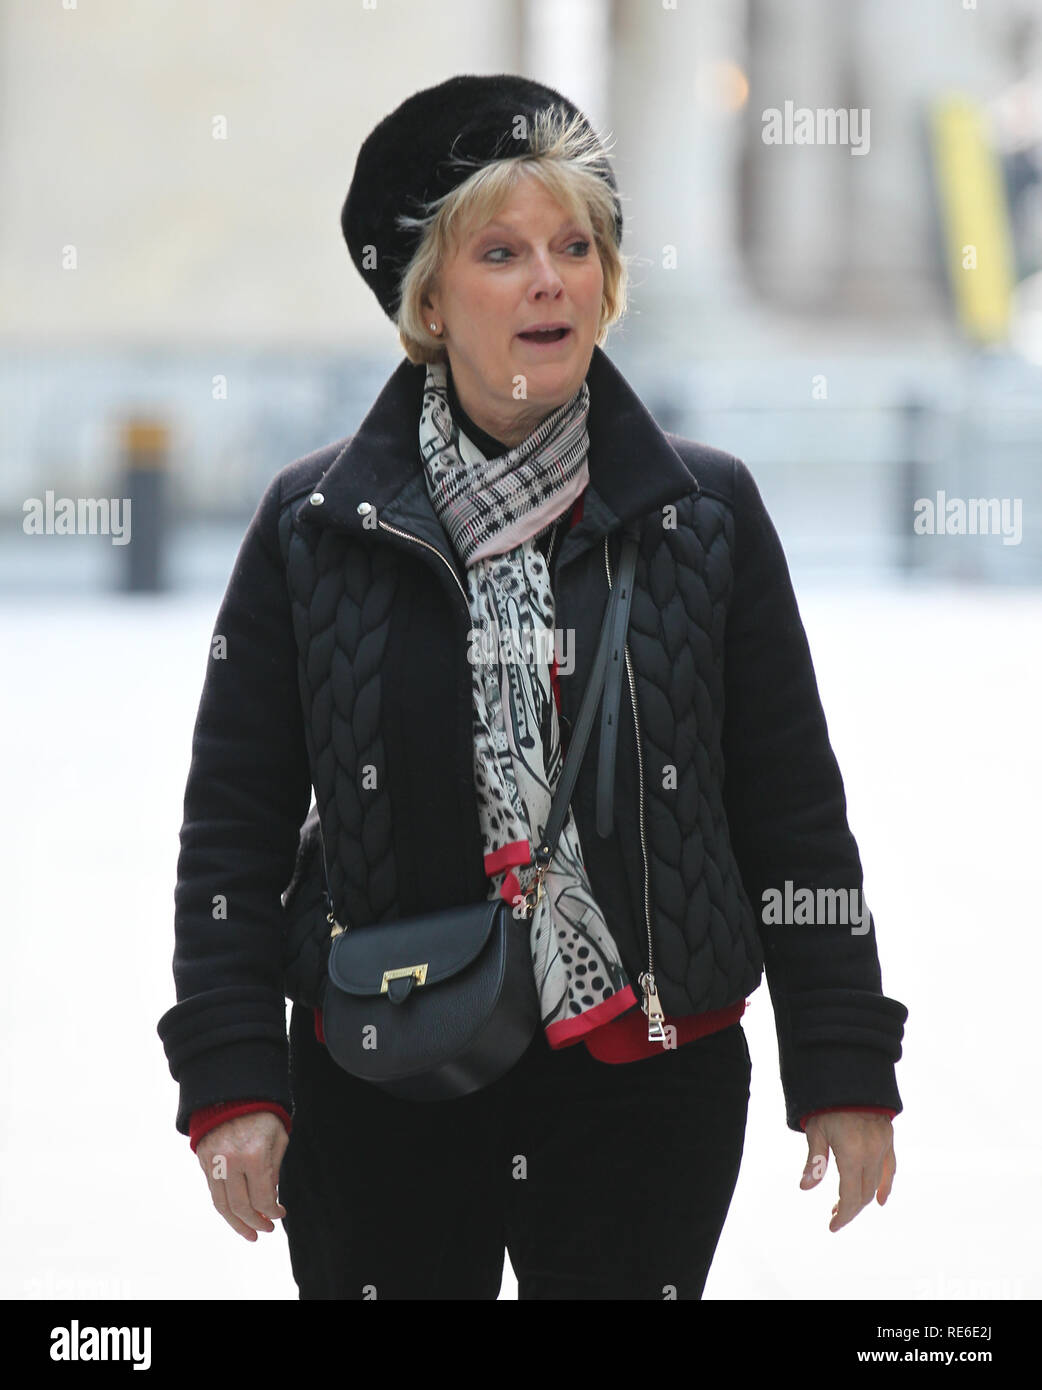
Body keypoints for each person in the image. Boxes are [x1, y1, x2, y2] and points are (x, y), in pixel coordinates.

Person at [158, 74, 909, 1300]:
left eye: (575, 246)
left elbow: (791, 813)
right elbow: (231, 831)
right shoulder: (311, 524)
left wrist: (842, 1064)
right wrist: (232, 1077)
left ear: (608, 283)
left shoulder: (703, 514)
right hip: (381, 1071)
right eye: (501, 252)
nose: (549, 278)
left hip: (646, 1084)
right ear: (429, 302)